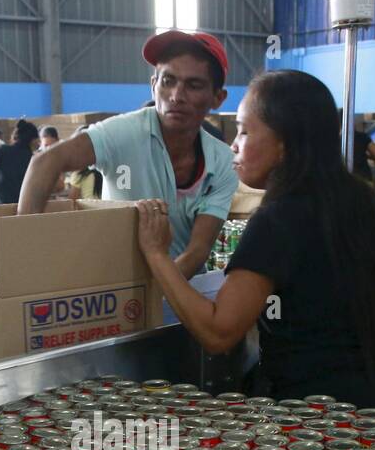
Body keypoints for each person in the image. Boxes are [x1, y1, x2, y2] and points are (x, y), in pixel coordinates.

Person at [136, 69, 375, 432]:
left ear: (284, 143)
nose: (233, 145)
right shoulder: (361, 199)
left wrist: (157, 255)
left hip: (326, 434)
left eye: (243, 130)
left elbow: (219, 333)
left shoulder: (277, 220)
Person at [18, 30, 238, 279]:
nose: (176, 96)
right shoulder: (123, 133)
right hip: (115, 283)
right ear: (153, 86)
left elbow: (197, 250)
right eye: (168, 81)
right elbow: (46, 161)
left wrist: (155, 298)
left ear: (218, 98)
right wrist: (25, 260)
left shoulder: (222, 162)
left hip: (183, 288)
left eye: (194, 85)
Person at [0, 119, 38, 205]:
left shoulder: (2, 150)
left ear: (14, 137)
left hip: (1, 207)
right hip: (24, 208)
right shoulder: (34, 159)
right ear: (33, 140)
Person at [339, 107, 375, 182]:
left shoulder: (334, 140)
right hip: (363, 179)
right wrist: (365, 155)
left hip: (342, 180)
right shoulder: (362, 137)